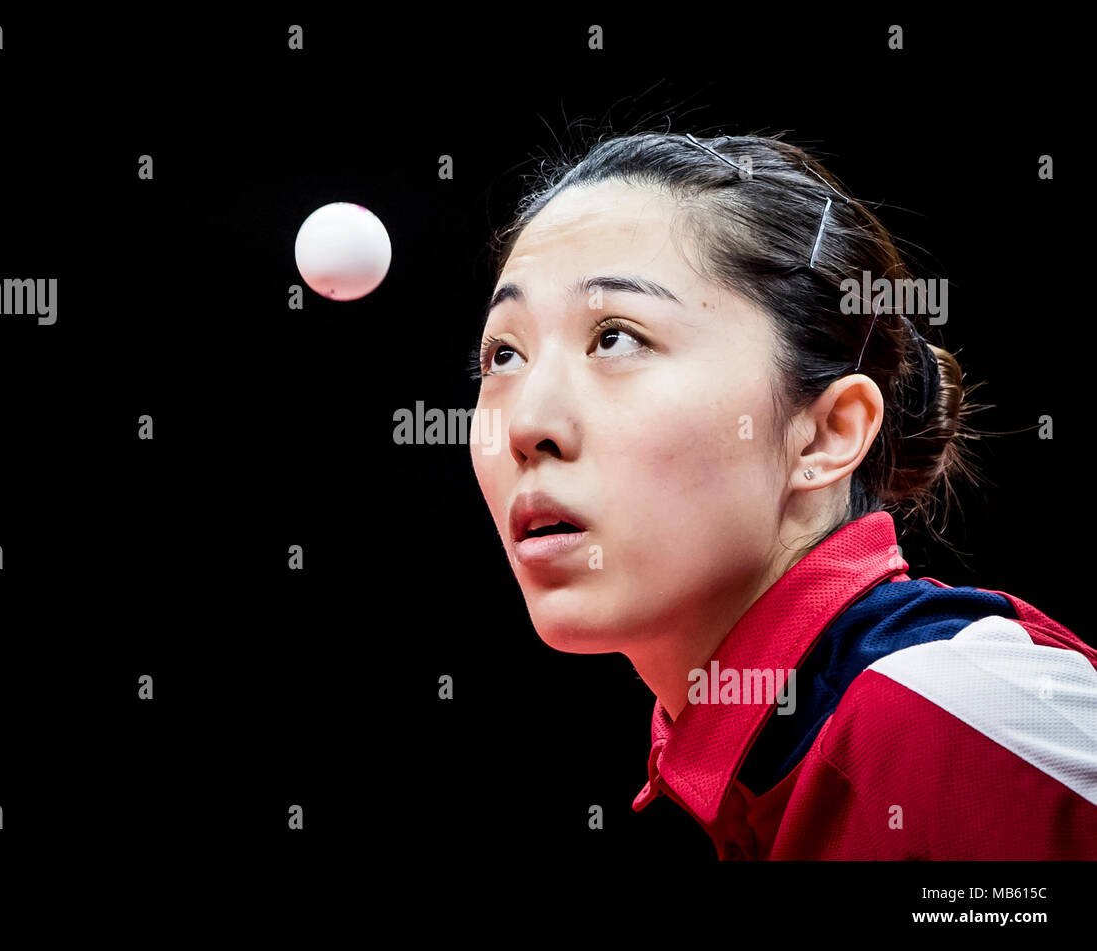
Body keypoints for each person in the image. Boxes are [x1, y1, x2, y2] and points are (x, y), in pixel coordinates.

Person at [468, 131, 1097, 859]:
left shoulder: (955, 724)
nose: (527, 423)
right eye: (503, 354)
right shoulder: (754, 766)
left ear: (827, 433)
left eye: (617, 337)